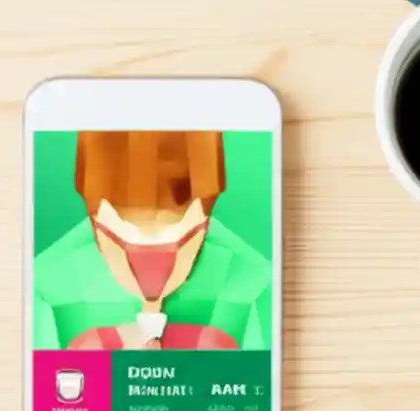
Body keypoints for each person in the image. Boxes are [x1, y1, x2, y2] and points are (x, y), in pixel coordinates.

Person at [31, 131, 272, 350]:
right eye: (122, 244)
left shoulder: (254, 279)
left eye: (182, 242)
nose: (156, 274)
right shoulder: (46, 282)